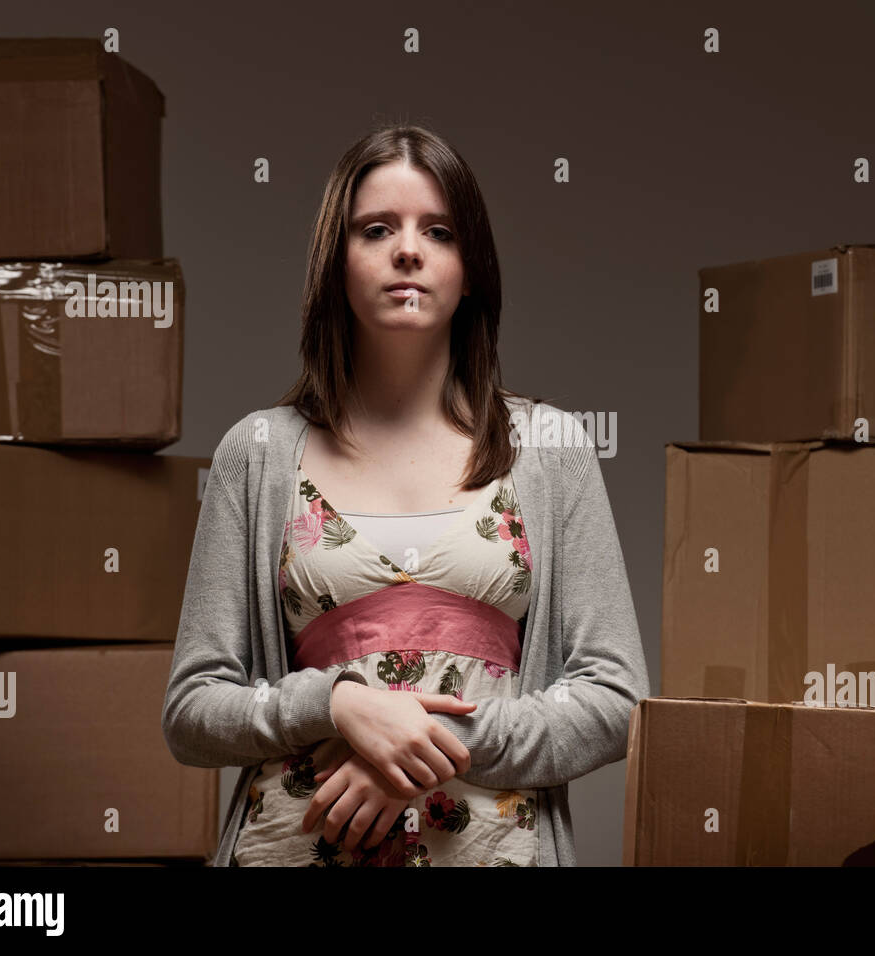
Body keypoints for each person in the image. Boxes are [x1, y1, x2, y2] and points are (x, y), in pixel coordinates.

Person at [162, 123, 650, 867]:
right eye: (376, 228)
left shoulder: (551, 450)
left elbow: (616, 703)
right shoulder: (257, 454)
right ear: (338, 261)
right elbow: (193, 711)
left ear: (471, 265)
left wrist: (431, 748)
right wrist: (336, 704)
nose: (408, 250)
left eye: (440, 230)